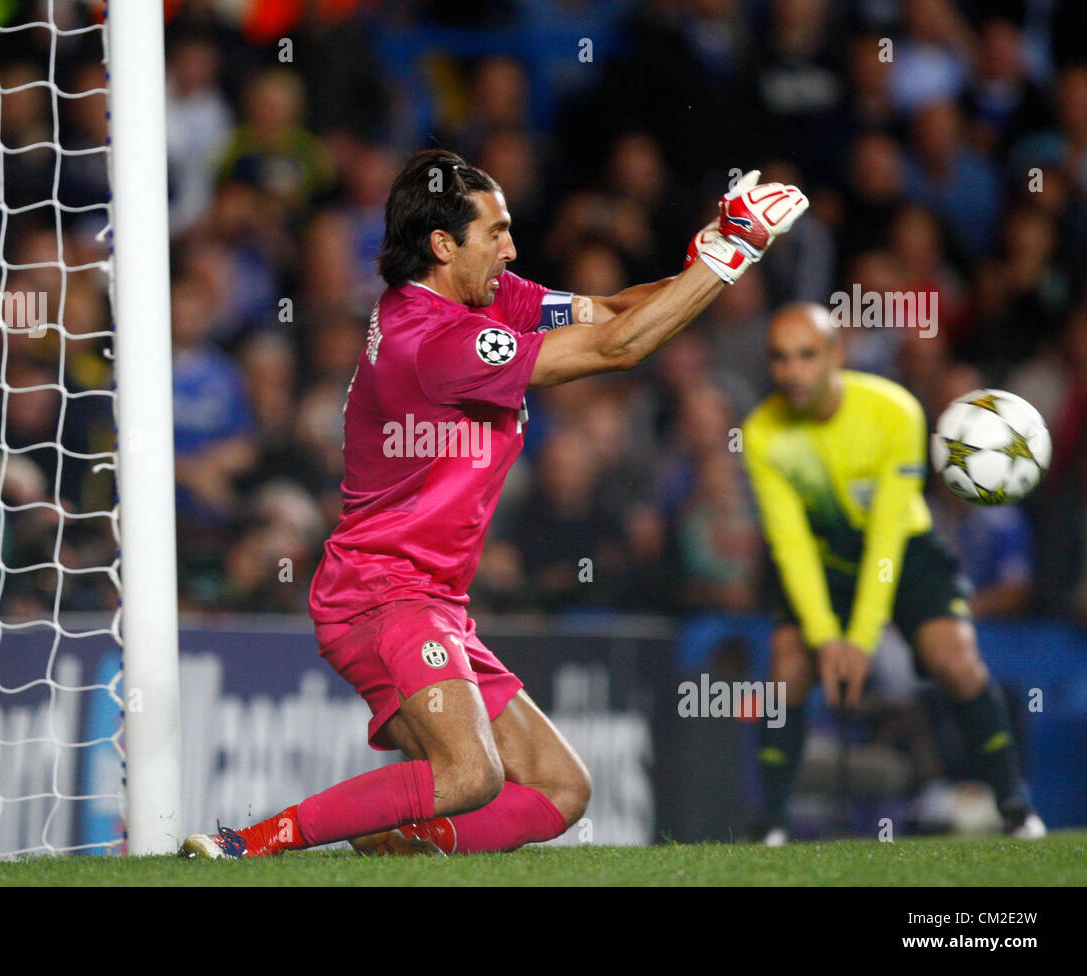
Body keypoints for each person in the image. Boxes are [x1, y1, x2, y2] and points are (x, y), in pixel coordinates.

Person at [182, 150, 807, 858]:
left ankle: (399, 850)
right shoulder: (437, 343)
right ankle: (248, 843)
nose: (511, 247)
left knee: (558, 790)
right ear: (443, 245)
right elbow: (618, 349)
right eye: (496, 232)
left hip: (431, 599)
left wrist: (710, 247)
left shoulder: (475, 297)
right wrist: (728, 257)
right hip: (384, 593)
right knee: (468, 774)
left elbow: (610, 310)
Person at [741, 303, 1045, 844]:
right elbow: (792, 548)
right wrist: (826, 638)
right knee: (787, 668)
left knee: (952, 658)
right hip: (826, 562)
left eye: (807, 355)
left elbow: (885, 540)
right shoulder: (763, 433)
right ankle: (772, 825)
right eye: (780, 359)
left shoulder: (895, 411)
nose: (793, 372)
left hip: (902, 550)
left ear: (838, 355)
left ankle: (1015, 808)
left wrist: (856, 641)